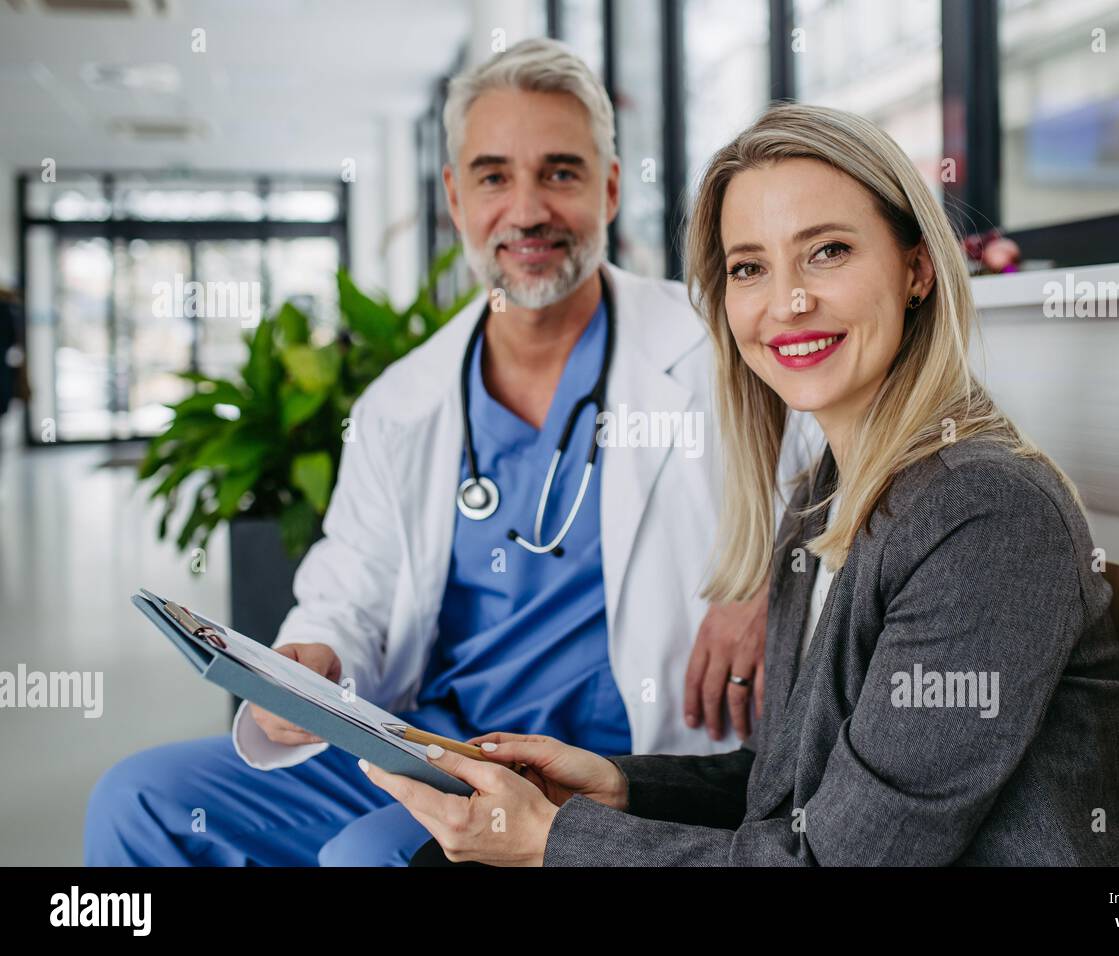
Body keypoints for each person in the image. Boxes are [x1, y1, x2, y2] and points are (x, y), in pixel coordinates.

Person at [84, 39, 814, 867]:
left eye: (562, 173)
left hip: (605, 769)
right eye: (495, 175)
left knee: (366, 856)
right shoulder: (403, 399)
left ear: (610, 188)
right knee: (139, 800)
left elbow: (844, 470)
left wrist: (767, 575)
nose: (528, 209)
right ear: (455, 197)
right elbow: (348, 583)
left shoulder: (718, 344)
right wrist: (313, 656)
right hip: (430, 747)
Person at [369, 102, 1119, 866]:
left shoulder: (984, 518)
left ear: (916, 267)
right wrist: (617, 788)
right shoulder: (824, 495)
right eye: (750, 267)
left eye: (828, 252)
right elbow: (796, 794)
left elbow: (836, 862)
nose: (787, 302)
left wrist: (553, 842)